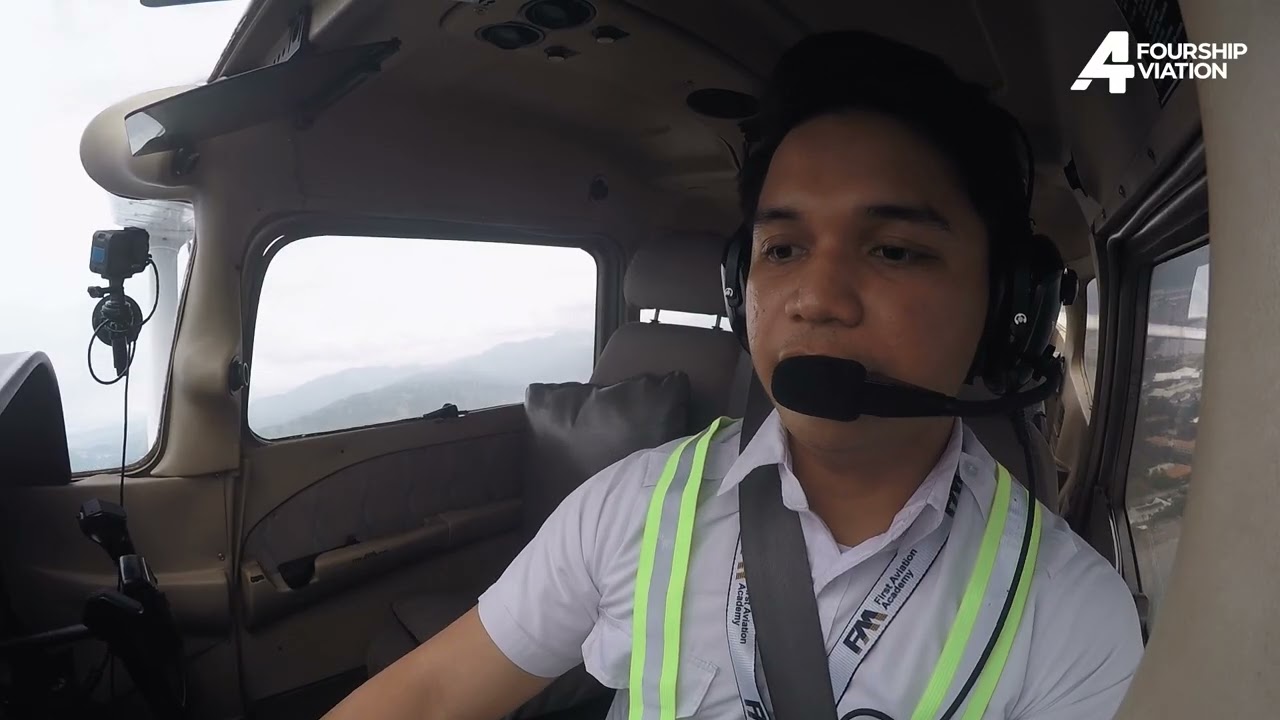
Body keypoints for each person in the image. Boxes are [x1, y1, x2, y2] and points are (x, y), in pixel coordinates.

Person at [323, 30, 1143, 720]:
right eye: (781, 250)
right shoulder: (629, 507)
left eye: (894, 249)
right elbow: (428, 694)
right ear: (737, 286)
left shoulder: (1073, 616)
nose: (815, 299)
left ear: (1008, 308)